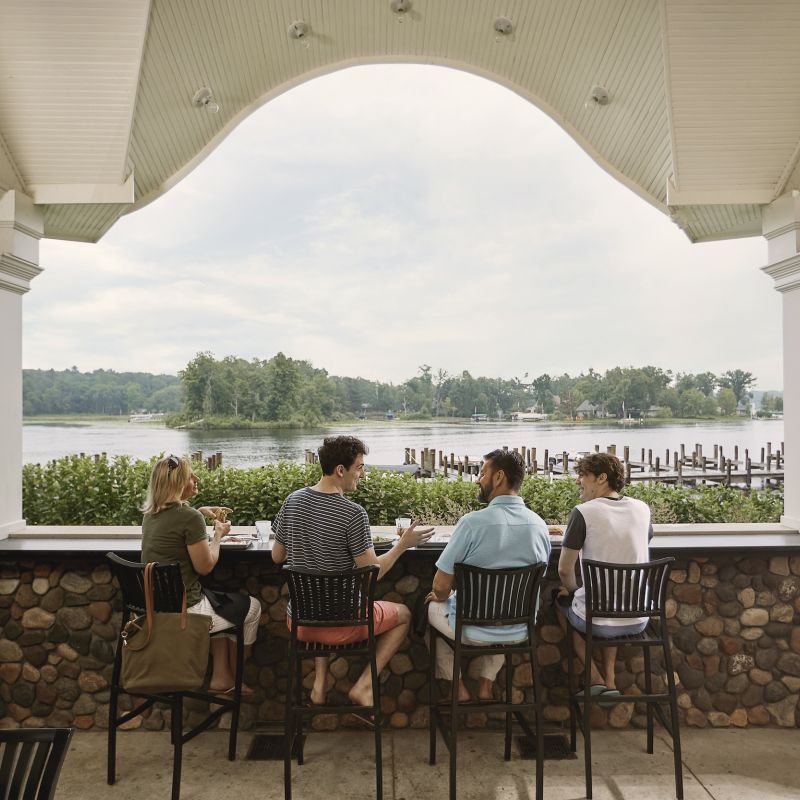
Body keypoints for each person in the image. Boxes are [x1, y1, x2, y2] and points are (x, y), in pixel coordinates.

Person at [271, 435, 433, 708]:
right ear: (340, 470)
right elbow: (373, 571)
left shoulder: (293, 501)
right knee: (404, 614)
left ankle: (319, 688)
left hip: (299, 624)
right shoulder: (353, 514)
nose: (362, 473)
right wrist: (403, 544)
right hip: (344, 625)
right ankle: (363, 687)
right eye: (359, 467)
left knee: (319, 597)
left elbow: (277, 555)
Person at [425, 449, 551, 702]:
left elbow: (439, 587)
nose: (478, 479)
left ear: (498, 477)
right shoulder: (539, 525)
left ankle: (457, 687)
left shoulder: (472, 523)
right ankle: (486, 684)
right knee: (505, 609)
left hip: (469, 630)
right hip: (519, 629)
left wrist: (445, 596)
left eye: (482, 473)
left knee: (427, 608)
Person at [141, 454, 261, 696]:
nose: (196, 478)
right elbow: (205, 566)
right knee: (253, 608)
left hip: (155, 611)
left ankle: (221, 677)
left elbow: (177, 527)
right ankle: (237, 675)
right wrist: (218, 534)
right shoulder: (190, 518)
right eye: (190, 476)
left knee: (220, 606)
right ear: (177, 484)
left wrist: (200, 510)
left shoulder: (150, 515)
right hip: (187, 613)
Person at [556, 452, 652, 705]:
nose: (578, 481)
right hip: (639, 618)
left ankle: (595, 678)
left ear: (601, 478)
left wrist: (575, 592)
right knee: (606, 603)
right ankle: (610, 681)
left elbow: (565, 570)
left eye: (582, 475)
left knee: (563, 603)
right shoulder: (642, 509)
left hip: (597, 620)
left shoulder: (583, 513)